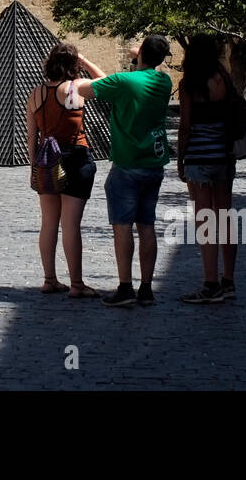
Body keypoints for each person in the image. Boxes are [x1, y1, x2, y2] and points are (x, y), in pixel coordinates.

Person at [77, 35, 172, 308]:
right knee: (147, 226)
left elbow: (87, 90)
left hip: (127, 164)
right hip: (153, 164)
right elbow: (120, 76)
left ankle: (125, 286)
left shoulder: (125, 82)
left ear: (141, 53)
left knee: (122, 227)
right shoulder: (162, 82)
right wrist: (86, 62)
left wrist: (79, 73)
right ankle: (146, 288)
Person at [25, 43, 98, 299]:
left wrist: (35, 168)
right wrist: (85, 59)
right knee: (70, 225)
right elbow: (106, 81)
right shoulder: (75, 88)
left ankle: (49, 279)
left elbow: (31, 138)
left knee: (48, 224)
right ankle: (77, 284)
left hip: (47, 160)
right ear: (72, 65)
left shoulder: (35, 94)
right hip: (75, 157)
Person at [174, 35, 241, 304]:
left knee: (205, 221)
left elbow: (185, 127)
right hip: (223, 156)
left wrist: (180, 159)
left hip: (199, 158)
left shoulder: (189, 85)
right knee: (225, 219)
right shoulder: (223, 79)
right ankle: (228, 281)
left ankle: (210, 283)